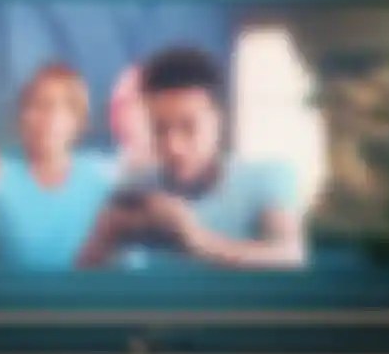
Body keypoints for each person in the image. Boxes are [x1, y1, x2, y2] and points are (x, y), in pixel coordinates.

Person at [77, 47, 306, 269]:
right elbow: (81, 281)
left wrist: (196, 240)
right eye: (160, 129)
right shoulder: (135, 189)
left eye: (189, 127)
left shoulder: (266, 178)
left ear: (218, 121)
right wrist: (106, 234)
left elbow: (290, 257)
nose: (173, 146)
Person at [0, 63, 115, 270]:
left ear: (79, 121)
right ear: (21, 115)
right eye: (37, 106)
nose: (49, 119)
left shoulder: (99, 184)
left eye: (62, 108)